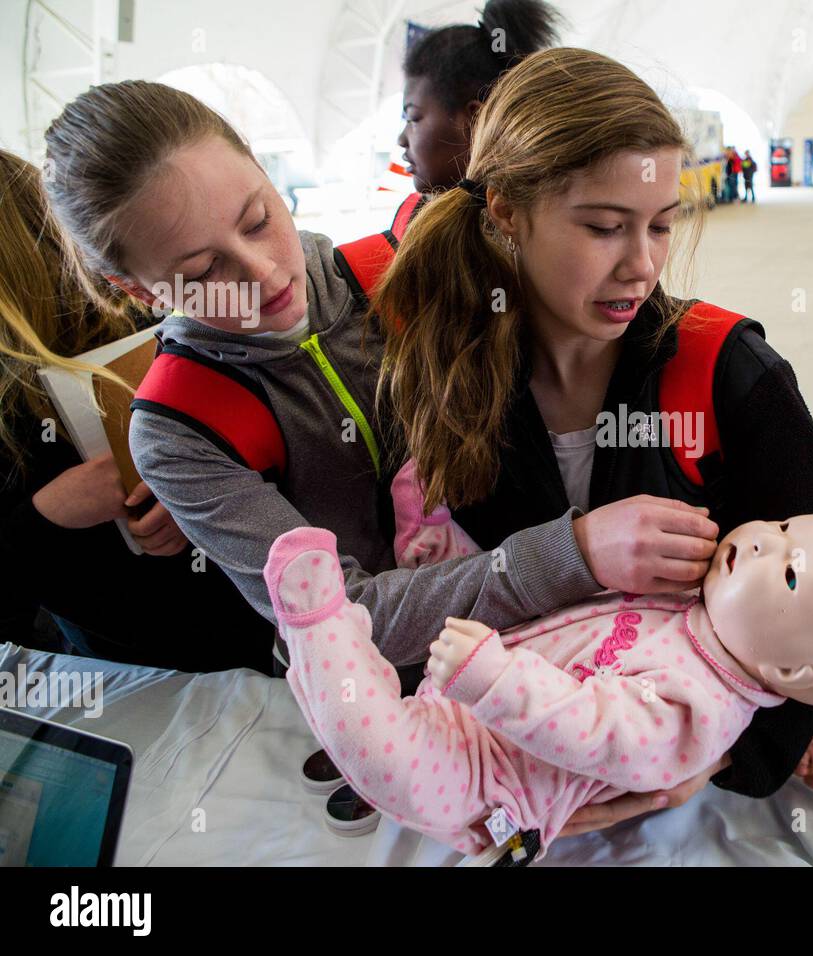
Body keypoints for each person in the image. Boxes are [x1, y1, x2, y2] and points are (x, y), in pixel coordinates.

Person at [41, 80, 714, 696]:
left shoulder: (407, 261)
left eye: (256, 219)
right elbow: (343, 619)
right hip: (390, 706)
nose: (264, 272)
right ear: (133, 289)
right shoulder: (178, 429)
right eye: (204, 268)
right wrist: (575, 552)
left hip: (574, 652)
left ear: (259, 164)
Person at [371, 47, 813, 806]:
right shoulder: (440, 371)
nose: (641, 266)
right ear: (507, 210)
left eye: (662, 227)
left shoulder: (727, 372)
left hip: (692, 779)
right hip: (518, 772)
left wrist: (712, 761)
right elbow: (384, 615)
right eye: (605, 227)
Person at [260, 508, 813, 858]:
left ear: (788, 671)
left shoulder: (702, 712)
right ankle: (337, 649)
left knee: (380, 751)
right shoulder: (707, 613)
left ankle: (319, 623)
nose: (759, 546)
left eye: (786, 574)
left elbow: (602, 732)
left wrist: (497, 680)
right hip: (468, 709)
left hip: (488, 784)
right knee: (383, 710)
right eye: (781, 530)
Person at [0, 149, 273, 671]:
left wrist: (186, 486)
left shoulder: (134, 321)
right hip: (113, 663)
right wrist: (44, 517)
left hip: (238, 628)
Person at [398, 0, 562, 194]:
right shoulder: (535, 213)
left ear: (476, 121)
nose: (401, 139)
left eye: (413, 118)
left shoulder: (520, 219)